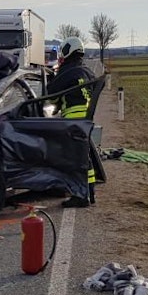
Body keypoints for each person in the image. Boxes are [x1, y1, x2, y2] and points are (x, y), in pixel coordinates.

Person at [45, 36, 97, 207]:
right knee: (84, 158)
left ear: (67, 50)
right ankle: (89, 192)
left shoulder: (67, 71)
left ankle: (80, 197)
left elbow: (50, 94)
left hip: (73, 120)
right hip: (86, 120)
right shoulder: (87, 71)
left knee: (75, 159)